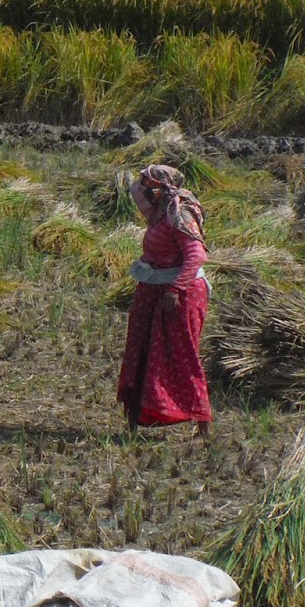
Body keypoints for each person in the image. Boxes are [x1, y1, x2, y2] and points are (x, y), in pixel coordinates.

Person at [118, 164, 212, 439]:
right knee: (142, 353)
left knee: (182, 357)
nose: (144, 189)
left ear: (162, 188)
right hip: (153, 288)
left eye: (150, 185)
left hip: (180, 294)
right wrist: (149, 175)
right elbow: (135, 190)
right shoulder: (158, 210)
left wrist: (174, 289)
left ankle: (202, 425)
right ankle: (136, 420)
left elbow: (196, 256)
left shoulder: (179, 213)